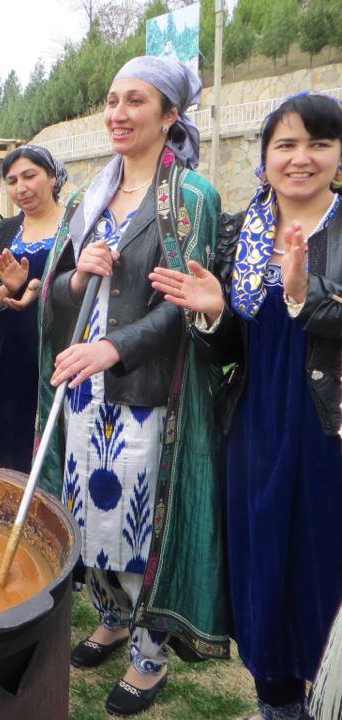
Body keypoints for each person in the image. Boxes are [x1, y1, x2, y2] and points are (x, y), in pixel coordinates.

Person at [36, 56, 229, 716]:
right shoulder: (91, 195)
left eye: (136, 101)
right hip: (84, 395)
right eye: (112, 100)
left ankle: (149, 655)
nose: (117, 113)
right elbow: (59, 296)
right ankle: (111, 619)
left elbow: (183, 306)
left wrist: (112, 346)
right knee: (90, 521)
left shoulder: (191, 197)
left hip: (148, 391)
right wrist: (76, 274)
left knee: (140, 526)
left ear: (170, 116)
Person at [150, 92, 342, 720]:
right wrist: (212, 315)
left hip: (326, 429)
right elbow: (236, 344)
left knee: (322, 566)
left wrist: (304, 293)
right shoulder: (241, 230)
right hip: (256, 423)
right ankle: (277, 699)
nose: (301, 158)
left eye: (319, 143)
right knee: (264, 563)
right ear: (264, 158)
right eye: (285, 145)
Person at [0, 145, 66, 472]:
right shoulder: (4, 231)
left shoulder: (76, 227)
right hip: (1, 354)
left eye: (29, 176)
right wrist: (6, 290)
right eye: (12, 181)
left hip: (53, 352)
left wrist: (38, 290)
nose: (20, 188)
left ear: (52, 177)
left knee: (42, 447)